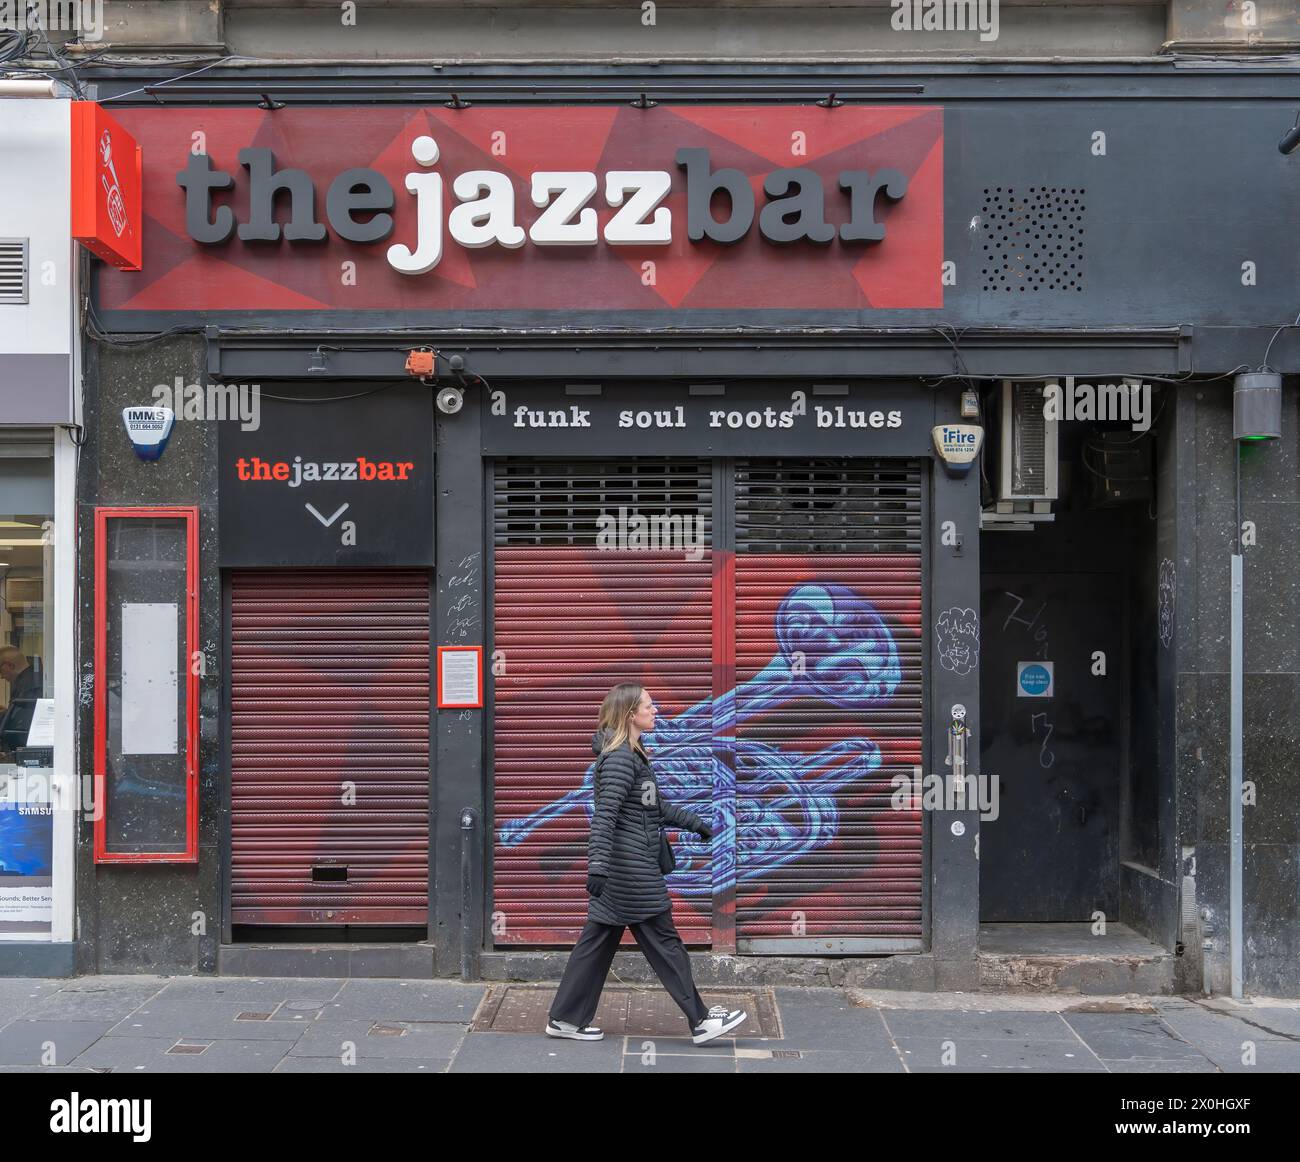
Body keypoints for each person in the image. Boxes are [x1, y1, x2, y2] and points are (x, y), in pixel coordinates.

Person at [545, 682, 749, 1046]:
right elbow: (605, 816)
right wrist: (598, 867)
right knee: (666, 943)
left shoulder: (632, 753)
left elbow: (651, 808)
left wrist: (694, 822)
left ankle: (565, 1018)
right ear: (630, 715)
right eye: (649, 707)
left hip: (627, 868)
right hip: (631, 871)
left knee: (596, 945)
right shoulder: (621, 758)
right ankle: (701, 1021)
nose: (656, 712)